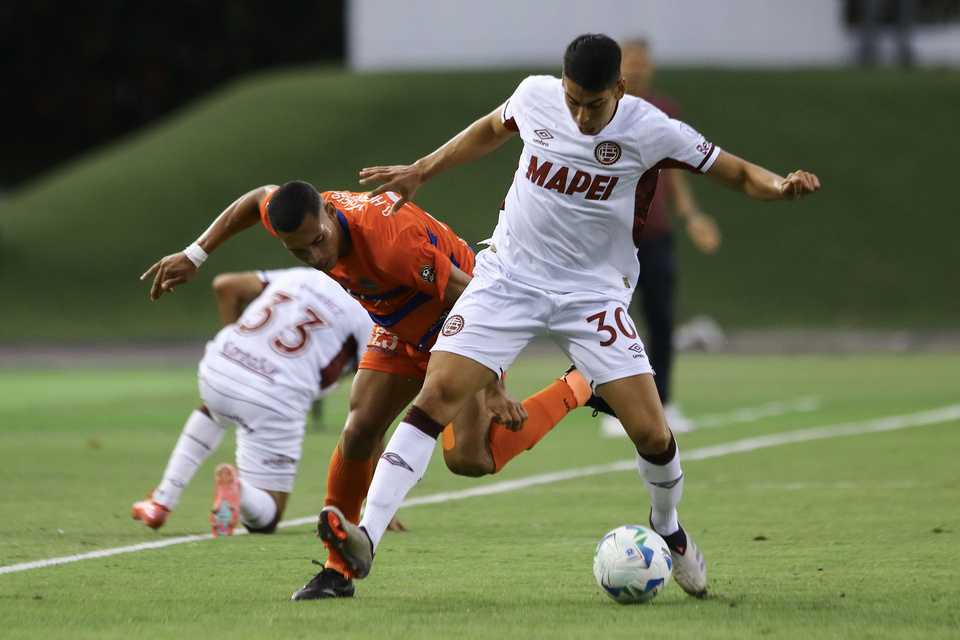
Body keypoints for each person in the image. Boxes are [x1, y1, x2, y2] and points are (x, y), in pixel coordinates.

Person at [319, 33, 819, 598]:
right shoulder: (535, 96)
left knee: (653, 435)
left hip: (593, 296)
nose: (581, 115)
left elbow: (737, 173)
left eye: (595, 104)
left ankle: (668, 528)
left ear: (620, 90)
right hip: (507, 278)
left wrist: (781, 185)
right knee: (436, 398)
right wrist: (423, 169)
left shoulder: (650, 128)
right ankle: (366, 538)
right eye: (574, 100)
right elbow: (489, 129)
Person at [141, 182, 597, 600]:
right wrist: (195, 254)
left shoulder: (391, 241)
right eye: (300, 251)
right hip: (397, 325)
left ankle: (580, 384)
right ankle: (338, 570)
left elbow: (478, 299)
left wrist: (493, 381)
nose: (316, 257)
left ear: (328, 212)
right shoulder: (300, 217)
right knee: (359, 429)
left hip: (457, 322)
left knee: (470, 460)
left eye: (319, 241)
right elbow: (255, 197)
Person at [132, 267, 373, 536]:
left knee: (214, 410)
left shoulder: (304, 275)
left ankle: (161, 501)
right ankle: (238, 489)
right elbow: (371, 410)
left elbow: (226, 285)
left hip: (219, 367)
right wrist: (376, 506)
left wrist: (244, 356)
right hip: (276, 395)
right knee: (266, 517)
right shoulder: (369, 313)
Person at [599, 38, 723, 437]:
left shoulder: (665, 111)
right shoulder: (600, 110)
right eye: (628, 63)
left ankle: (663, 402)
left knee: (662, 318)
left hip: (654, 234)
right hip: (612, 237)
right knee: (609, 321)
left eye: (641, 63)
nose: (635, 70)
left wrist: (692, 217)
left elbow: (675, 173)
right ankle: (616, 408)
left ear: (650, 68)